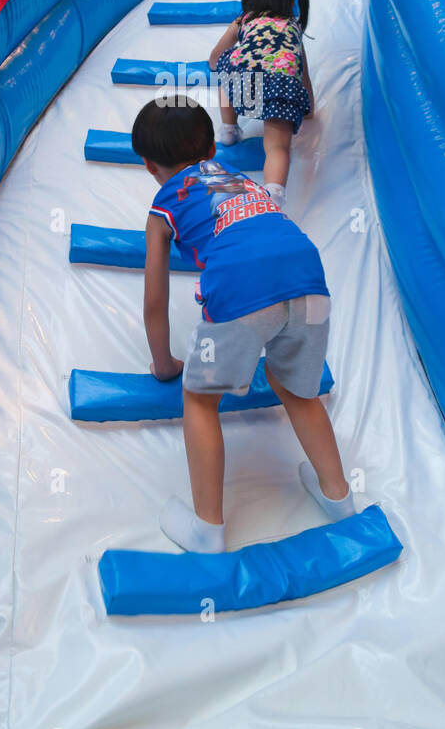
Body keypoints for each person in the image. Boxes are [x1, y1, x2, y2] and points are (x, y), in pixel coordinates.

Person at [132, 97, 355, 553]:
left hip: (241, 292)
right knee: (297, 391)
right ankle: (339, 496)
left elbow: (155, 301)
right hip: (310, 279)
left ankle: (207, 527)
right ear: (213, 147)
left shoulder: (162, 208)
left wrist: (164, 365)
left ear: (149, 165)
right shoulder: (241, 182)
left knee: (199, 399)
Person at [209, 0, 313, 209]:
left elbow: (214, 59)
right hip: (280, 89)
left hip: (245, 84)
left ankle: (229, 129)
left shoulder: (243, 20)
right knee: (277, 147)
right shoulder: (293, 27)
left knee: (228, 68)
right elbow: (301, 72)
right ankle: (274, 193)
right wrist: (308, 108)